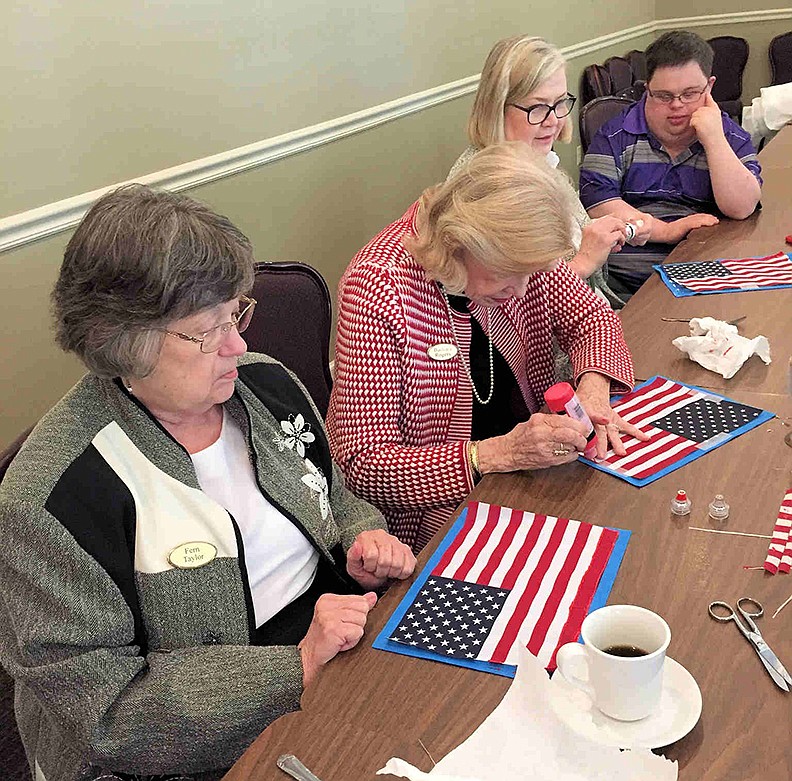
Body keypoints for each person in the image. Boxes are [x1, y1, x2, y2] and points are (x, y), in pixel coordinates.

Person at [0, 185, 415, 781]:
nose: (238, 346)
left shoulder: (265, 386)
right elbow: (108, 714)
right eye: (207, 330)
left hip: (339, 647)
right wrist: (295, 665)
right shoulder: (51, 500)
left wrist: (359, 542)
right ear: (124, 342)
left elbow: (335, 492)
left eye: (236, 314)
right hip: (190, 746)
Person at [327, 143, 646, 553]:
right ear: (459, 246)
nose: (525, 290)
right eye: (510, 276)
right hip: (437, 518)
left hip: (534, 477)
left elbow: (592, 318)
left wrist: (593, 393)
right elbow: (362, 463)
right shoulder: (378, 287)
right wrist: (496, 455)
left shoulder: (521, 254)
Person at [449, 35, 630, 309]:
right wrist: (584, 261)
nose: (554, 120)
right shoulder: (486, 186)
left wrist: (594, 234)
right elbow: (505, 306)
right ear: (498, 107)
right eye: (538, 107)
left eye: (560, 103)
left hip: (591, 317)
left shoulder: (537, 161)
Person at [579, 30, 762, 300]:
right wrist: (665, 231)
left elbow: (741, 208)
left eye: (690, 94)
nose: (677, 106)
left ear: (709, 87)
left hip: (702, 270)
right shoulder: (614, 134)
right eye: (664, 96)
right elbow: (597, 202)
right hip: (624, 279)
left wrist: (714, 139)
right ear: (646, 89)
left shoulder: (729, 136)